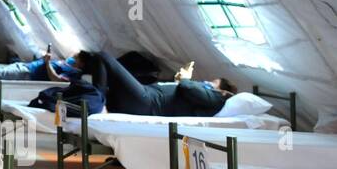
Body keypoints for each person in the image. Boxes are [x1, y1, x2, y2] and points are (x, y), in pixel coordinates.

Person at [80, 50, 233, 116]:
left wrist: (185, 78)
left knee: (103, 57)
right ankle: (97, 99)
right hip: (146, 95)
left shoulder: (217, 98)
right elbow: (185, 91)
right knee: (101, 66)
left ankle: (97, 101)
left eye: (213, 83)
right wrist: (178, 80)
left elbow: (187, 87)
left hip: (148, 102)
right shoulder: (205, 95)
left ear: (223, 92)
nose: (206, 82)